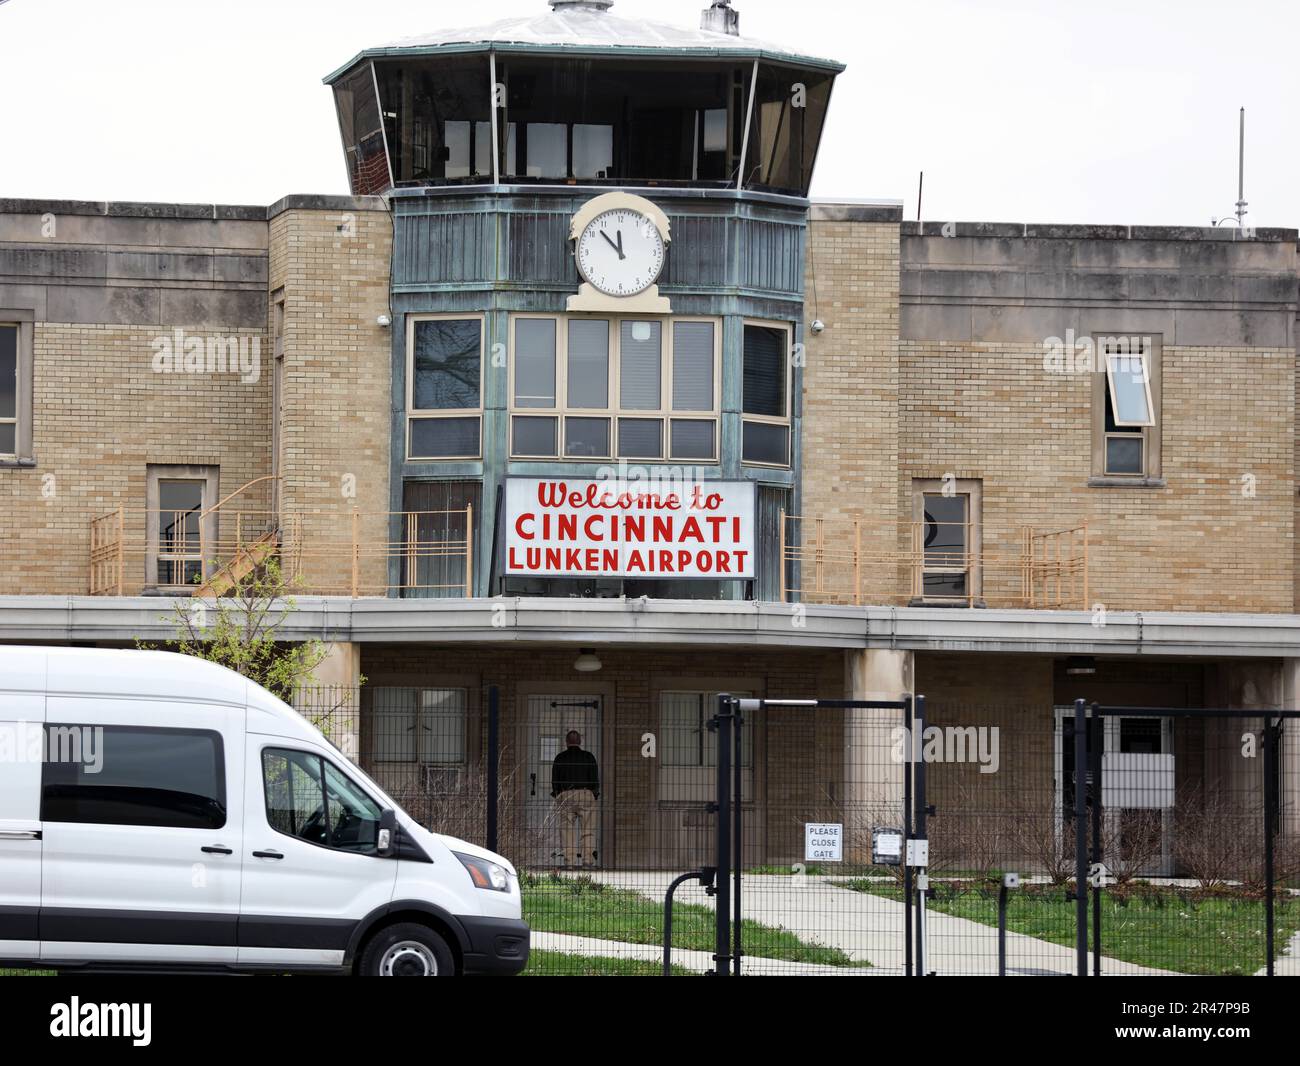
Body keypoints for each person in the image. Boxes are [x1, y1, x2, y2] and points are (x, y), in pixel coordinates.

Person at [551, 730, 600, 868]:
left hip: (566, 795)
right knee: (588, 830)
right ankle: (587, 861)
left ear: (566, 742)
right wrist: (594, 794)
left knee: (567, 831)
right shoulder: (588, 757)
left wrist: (557, 794)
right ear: (580, 741)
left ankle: (570, 862)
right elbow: (595, 780)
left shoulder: (560, 758)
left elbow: (555, 781)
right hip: (585, 794)